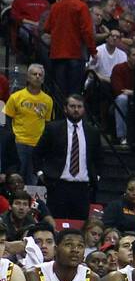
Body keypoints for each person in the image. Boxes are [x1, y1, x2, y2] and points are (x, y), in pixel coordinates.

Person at [33, 94, 101, 222]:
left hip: (82, 187)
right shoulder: (53, 128)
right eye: (72, 106)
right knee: (56, 222)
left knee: (80, 225)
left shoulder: (93, 132)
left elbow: (99, 158)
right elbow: (37, 153)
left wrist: (96, 176)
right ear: (65, 109)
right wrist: (41, 173)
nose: (76, 110)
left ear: (84, 109)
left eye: (79, 106)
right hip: (58, 185)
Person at [45, 0, 96, 100]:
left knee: (59, 91)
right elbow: (87, 31)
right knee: (74, 91)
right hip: (76, 54)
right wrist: (93, 51)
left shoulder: (56, 6)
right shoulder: (81, 6)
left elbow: (47, 28)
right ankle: (72, 118)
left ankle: (58, 118)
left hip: (57, 54)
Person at [5, 64, 54, 184]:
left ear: (43, 79)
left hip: (37, 144)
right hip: (18, 142)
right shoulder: (16, 97)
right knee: (17, 179)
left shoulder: (48, 100)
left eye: (40, 75)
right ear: (27, 77)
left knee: (33, 180)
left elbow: (48, 123)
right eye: (34, 74)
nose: (37, 77)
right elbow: (7, 119)